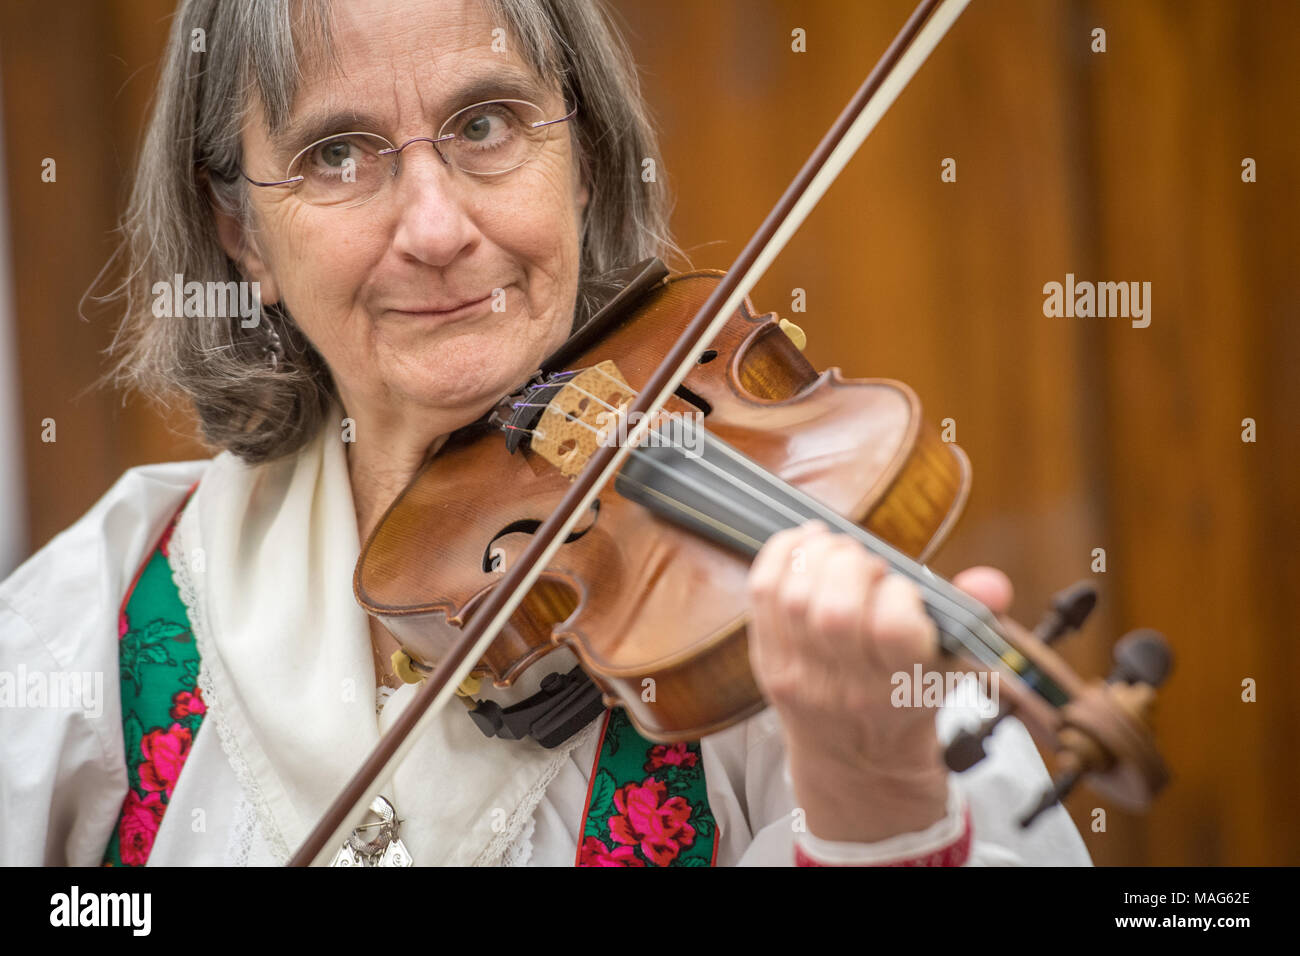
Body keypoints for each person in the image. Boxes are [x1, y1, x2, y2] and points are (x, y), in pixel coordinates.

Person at [0, 0, 1090, 867]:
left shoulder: (779, 626)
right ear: (240, 231)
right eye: (338, 153)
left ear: (585, 160)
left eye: (485, 125)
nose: (436, 229)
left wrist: (878, 815)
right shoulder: (106, 609)